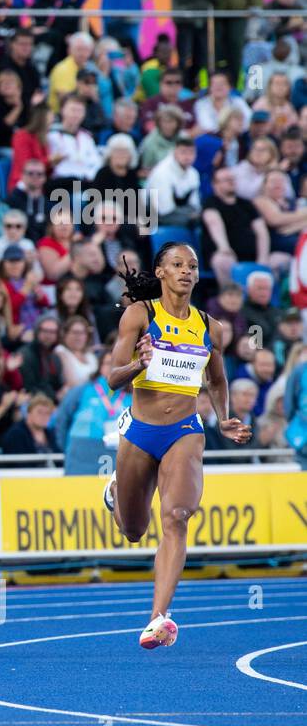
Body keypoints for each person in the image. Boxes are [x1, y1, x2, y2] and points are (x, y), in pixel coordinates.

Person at [103, 242, 249, 650]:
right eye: (178, 264)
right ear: (161, 272)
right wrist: (139, 363)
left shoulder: (209, 327)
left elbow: (216, 379)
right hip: (140, 431)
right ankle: (115, 493)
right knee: (134, 530)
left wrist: (223, 417)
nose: (187, 271)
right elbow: (113, 378)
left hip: (185, 429)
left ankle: (158, 617)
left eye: (193, 266)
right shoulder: (140, 315)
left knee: (177, 516)